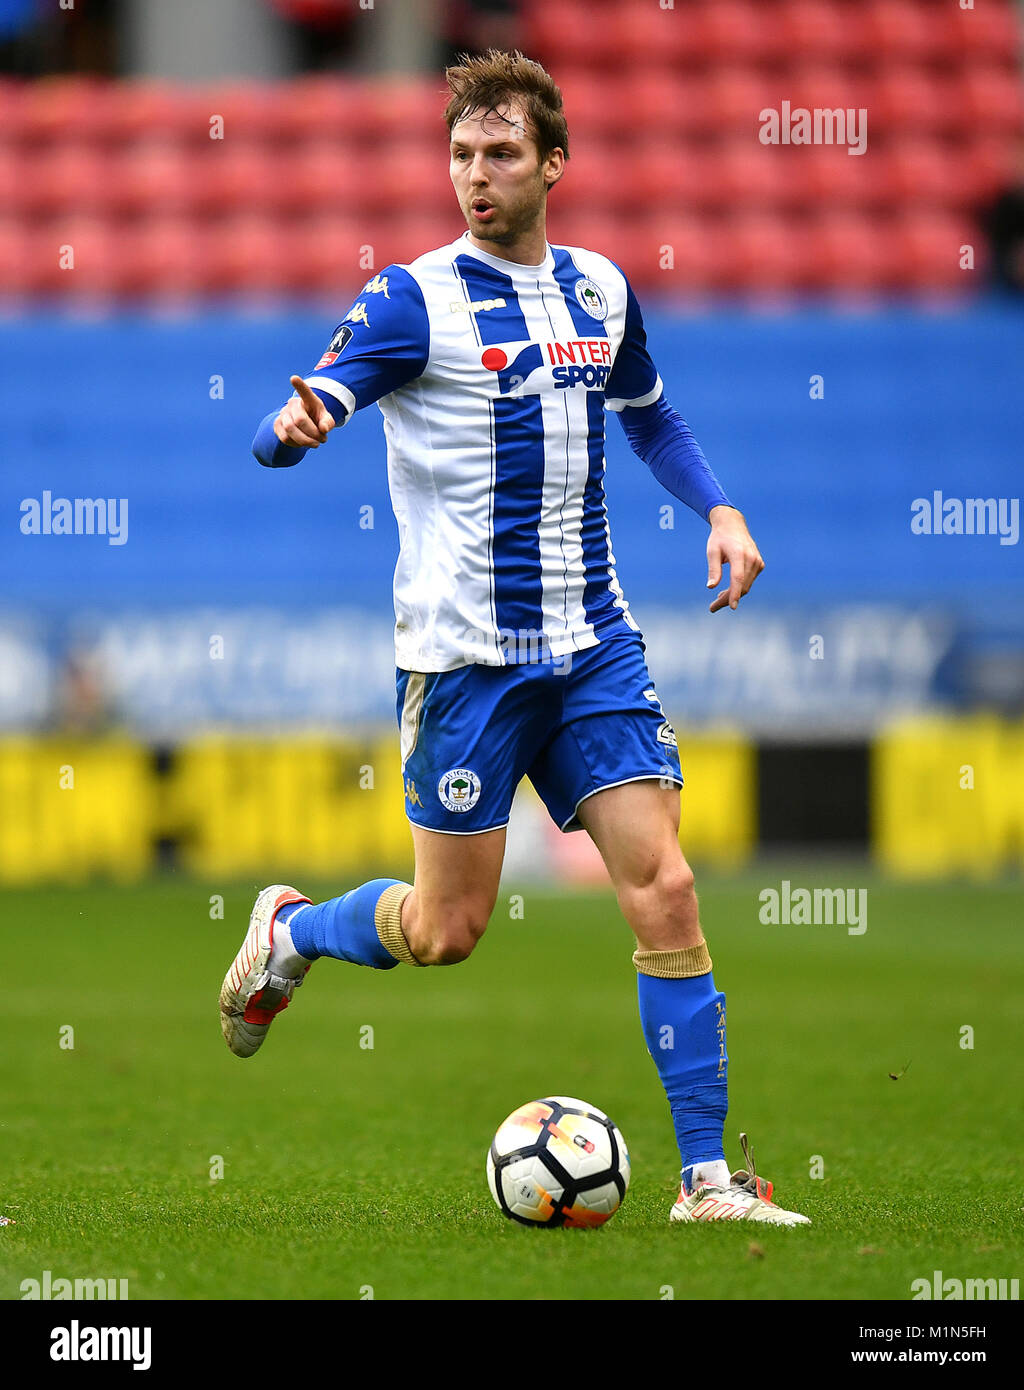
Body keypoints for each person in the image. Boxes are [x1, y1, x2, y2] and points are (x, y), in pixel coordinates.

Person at [223, 49, 808, 1226]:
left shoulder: (600, 289)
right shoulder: (409, 297)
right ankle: (292, 928)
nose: (475, 176)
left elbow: (650, 413)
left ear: (553, 162)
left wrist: (721, 508)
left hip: (592, 644)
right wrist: (291, 430)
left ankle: (704, 1181)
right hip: (464, 662)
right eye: (459, 155)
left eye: (499, 154)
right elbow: (303, 413)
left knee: (668, 888)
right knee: (447, 932)